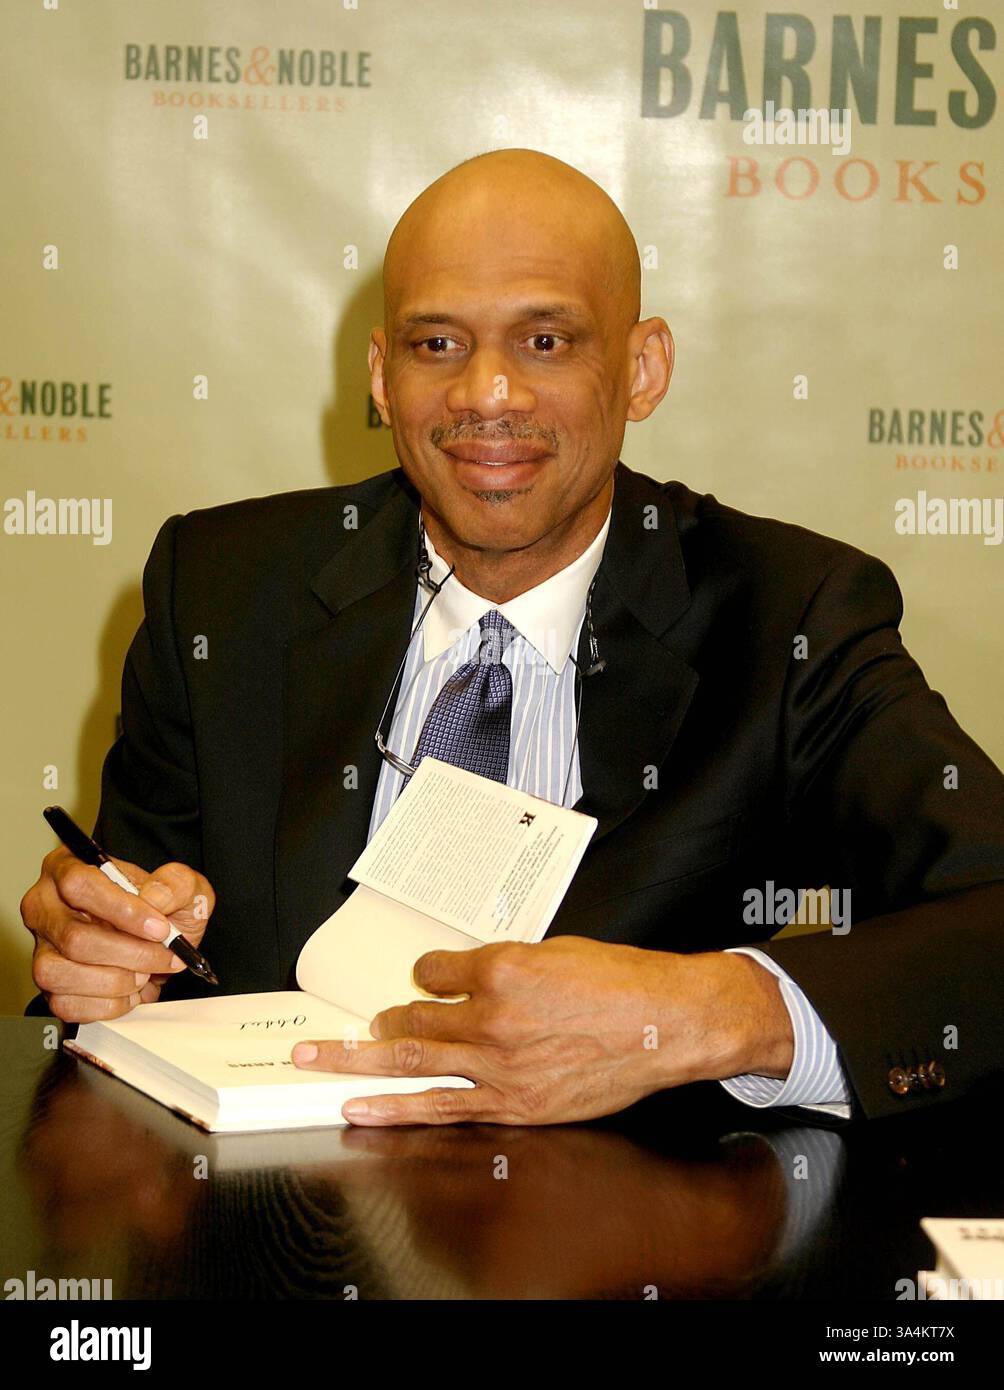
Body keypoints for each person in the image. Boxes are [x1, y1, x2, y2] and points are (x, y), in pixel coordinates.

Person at [20, 149, 1004, 1127]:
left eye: (544, 340)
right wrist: (106, 960)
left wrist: (717, 1012)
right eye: (436, 344)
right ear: (378, 374)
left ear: (641, 366)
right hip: (278, 1240)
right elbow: (129, 947)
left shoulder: (787, 616)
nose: (487, 395)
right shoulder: (221, 590)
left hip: (640, 1248)